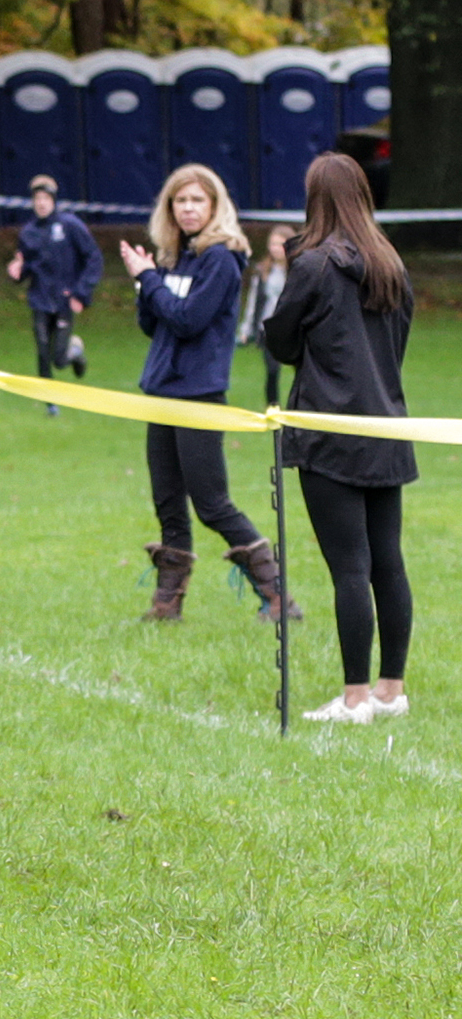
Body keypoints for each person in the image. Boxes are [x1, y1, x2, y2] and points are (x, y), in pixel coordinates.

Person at [263, 153, 415, 725]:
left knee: (351, 567)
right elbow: (395, 346)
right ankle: (390, 688)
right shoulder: (390, 262)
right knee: (387, 564)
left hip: (331, 430)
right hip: (386, 425)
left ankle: (355, 699)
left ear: (315, 199)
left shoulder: (316, 265)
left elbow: (279, 340)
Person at [118, 164, 298, 624]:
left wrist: (148, 279)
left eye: (198, 200)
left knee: (212, 503)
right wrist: (147, 280)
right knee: (167, 502)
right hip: (160, 392)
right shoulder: (176, 256)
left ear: (215, 207)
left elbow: (187, 319)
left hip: (198, 395)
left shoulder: (222, 258)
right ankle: (166, 605)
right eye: (181, 201)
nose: (189, 208)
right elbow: (152, 324)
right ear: (169, 208)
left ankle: (279, 599)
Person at [6, 174, 101, 415]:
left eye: (46, 198)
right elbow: (27, 267)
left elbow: (93, 258)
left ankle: (74, 352)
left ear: (54, 200)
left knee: (58, 358)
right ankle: (51, 403)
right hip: (39, 298)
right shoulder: (28, 232)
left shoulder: (70, 225)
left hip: (64, 299)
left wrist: (81, 292)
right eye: (37, 198)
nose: (41, 203)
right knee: (41, 349)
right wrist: (16, 272)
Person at [238, 224, 296, 408]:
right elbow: (253, 302)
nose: (275, 249)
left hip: (292, 329)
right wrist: (246, 329)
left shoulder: (298, 269)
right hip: (268, 329)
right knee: (272, 370)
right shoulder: (263, 270)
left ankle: (300, 406)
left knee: (301, 371)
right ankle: (273, 407)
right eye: (272, 244)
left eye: (280, 244)